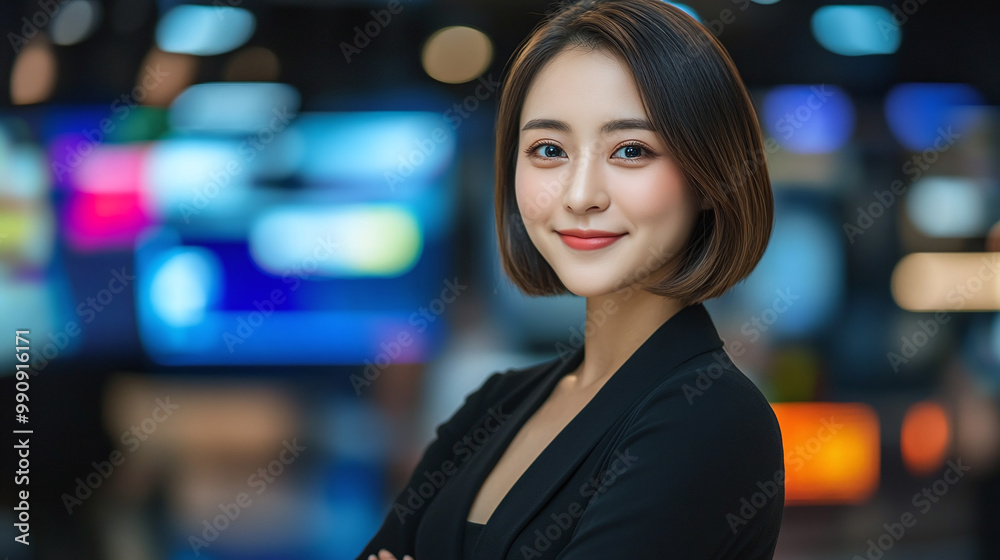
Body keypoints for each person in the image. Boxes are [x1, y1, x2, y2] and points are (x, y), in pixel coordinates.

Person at [357, 0, 782, 558]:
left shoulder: (713, 417)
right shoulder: (495, 405)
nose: (581, 195)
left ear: (709, 176)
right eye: (548, 150)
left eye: (631, 150)